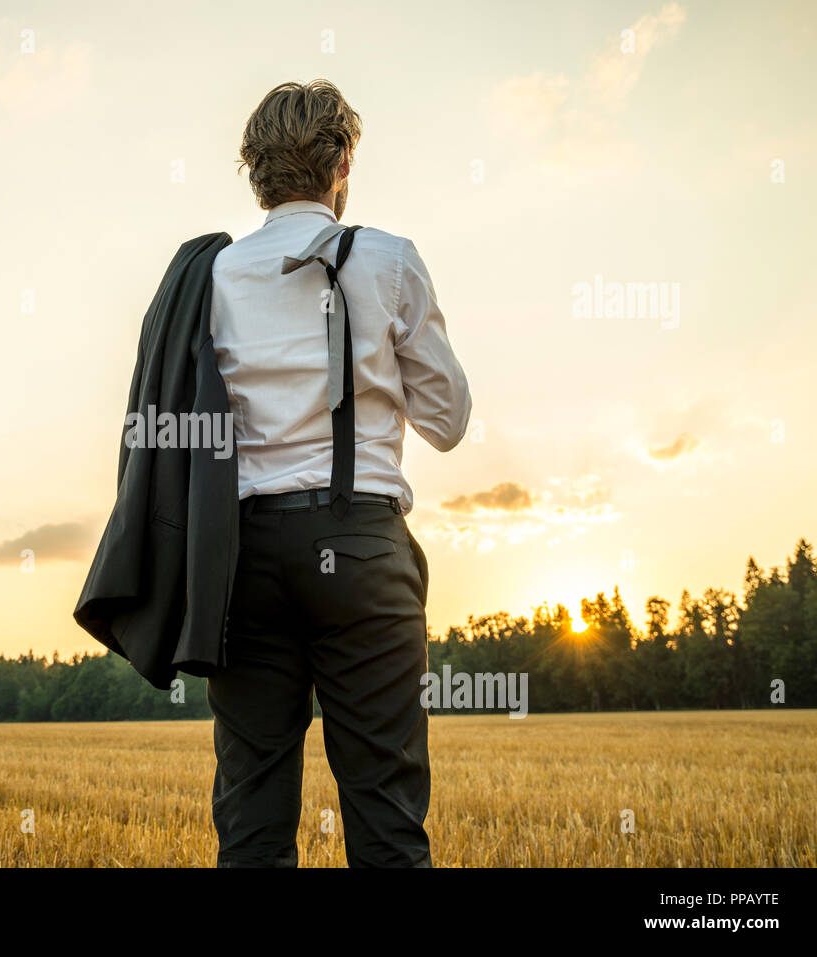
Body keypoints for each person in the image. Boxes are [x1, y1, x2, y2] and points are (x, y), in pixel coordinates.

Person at [205, 79, 472, 867]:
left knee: (251, 822)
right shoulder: (389, 260)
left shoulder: (212, 277)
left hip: (243, 559)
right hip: (361, 549)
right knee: (387, 818)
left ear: (254, 172)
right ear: (343, 162)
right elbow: (449, 423)